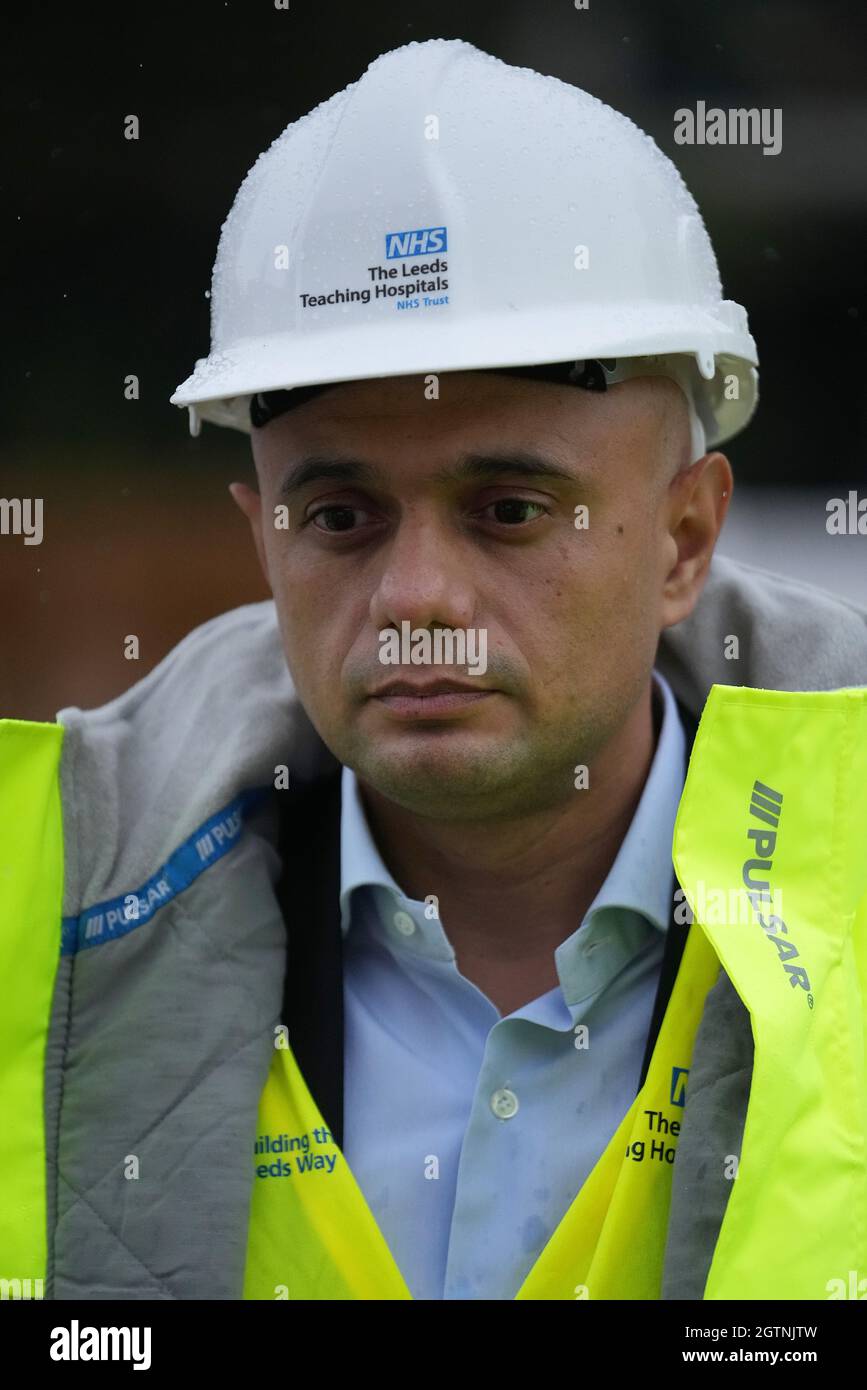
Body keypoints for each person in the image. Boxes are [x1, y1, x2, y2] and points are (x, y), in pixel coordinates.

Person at [3, 38, 867, 1303]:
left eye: (511, 510)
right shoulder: (39, 917)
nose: (416, 599)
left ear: (685, 537)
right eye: (342, 516)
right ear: (264, 538)